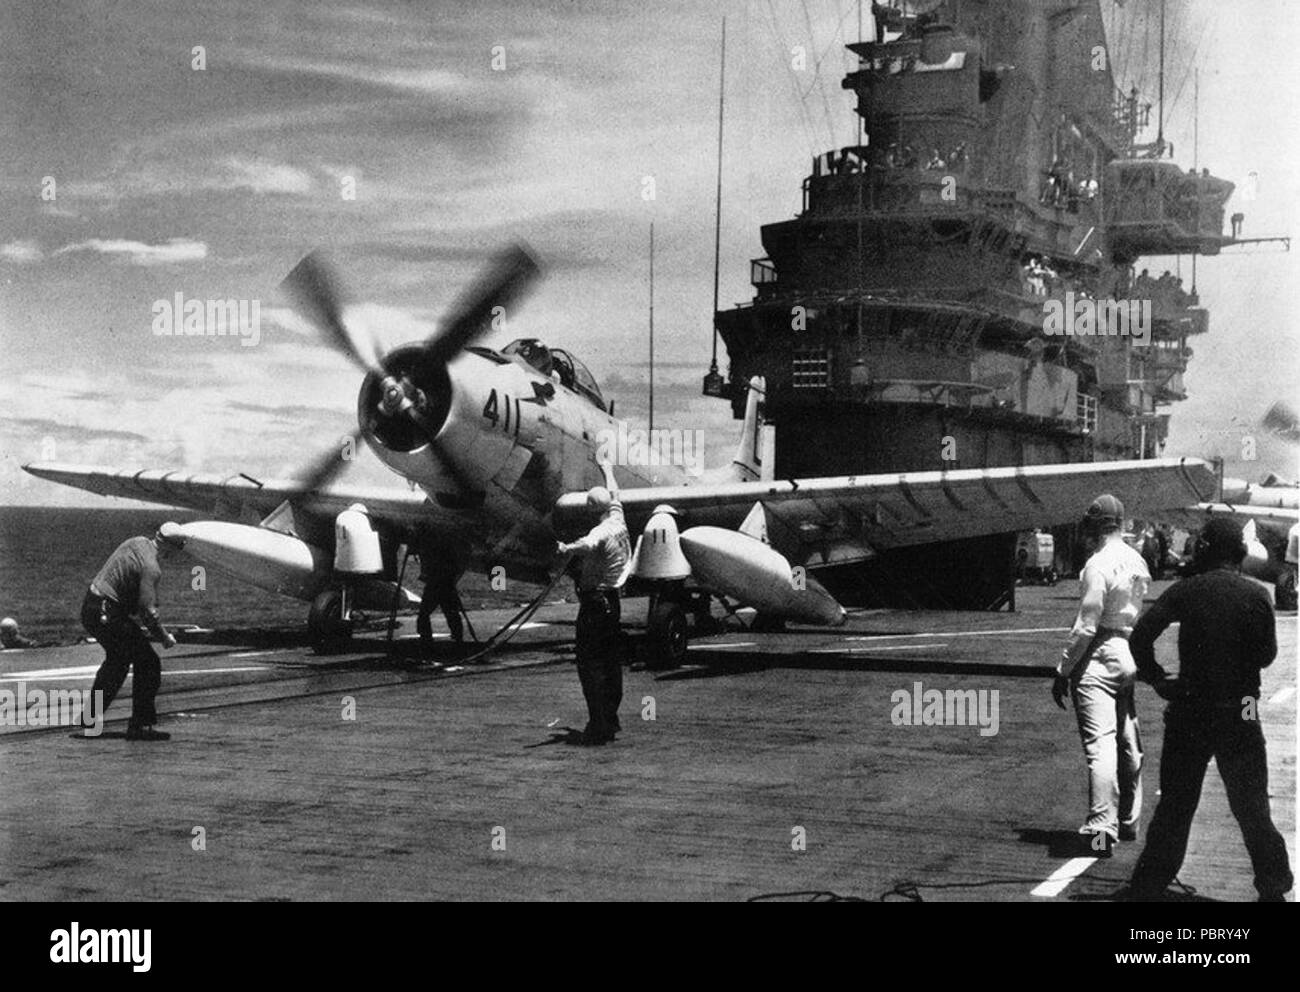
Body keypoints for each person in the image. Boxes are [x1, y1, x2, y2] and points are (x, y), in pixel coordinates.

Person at [1126, 517, 1293, 901]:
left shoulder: (1187, 590)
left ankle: (1149, 885)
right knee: (1252, 806)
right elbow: (1267, 657)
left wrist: (1158, 679)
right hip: (1244, 708)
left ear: (1205, 550)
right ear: (1239, 553)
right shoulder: (1257, 596)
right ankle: (1273, 885)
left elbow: (1141, 637)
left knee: (1176, 804)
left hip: (1190, 708)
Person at [1053, 494, 1151, 854]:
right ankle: (1128, 821)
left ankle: (1100, 828)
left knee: (1100, 746)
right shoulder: (1136, 559)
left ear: (1096, 526)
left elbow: (1086, 625)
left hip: (1100, 654)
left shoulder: (1097, 564)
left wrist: (1063, 669)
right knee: (1128, 741)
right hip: (1128, 649)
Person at [556, 460, 631, 745]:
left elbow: (586, 545)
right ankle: (610, 718)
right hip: (612, 601)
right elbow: (615, 493)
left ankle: (598, 725)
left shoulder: (599, 532)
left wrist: (565, 548)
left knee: (590, 664)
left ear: (590, 509)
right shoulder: (618, 519)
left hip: (595, 604)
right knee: (611, 662)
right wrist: (607, 469)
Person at [80, 529, 181, 741]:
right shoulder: (152, 568)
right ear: (170, 547)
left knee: (118, 661)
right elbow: (148, 612)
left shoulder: (137, 541)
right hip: (108, 613)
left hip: (91, 606)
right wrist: (164, 637)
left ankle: (90, 717)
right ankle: (140, 726)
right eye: (177, 549)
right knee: (148, 662)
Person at [415, 542, 466, 661]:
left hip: (438, 583)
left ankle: (427, 642)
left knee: (426, 614)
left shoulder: (432, 546)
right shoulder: (441, 545)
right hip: (444, 582)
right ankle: (457, 639)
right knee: (451, 613)